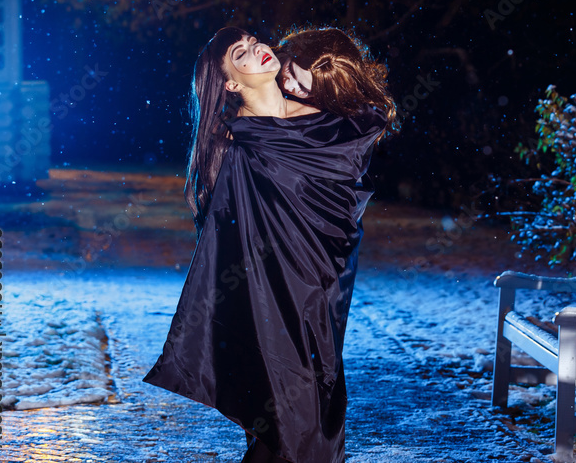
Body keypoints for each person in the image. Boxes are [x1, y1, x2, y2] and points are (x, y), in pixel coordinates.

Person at [143, 25, 395, 463]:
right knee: (294, 429)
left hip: (322, 295)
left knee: (319, 418)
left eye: (253, 41)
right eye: (239, 54)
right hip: (269, 304)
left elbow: (346, 173)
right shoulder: (237, 148)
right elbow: (228, 238)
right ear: (231, 83)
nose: (256, 48)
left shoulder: (327, 114)